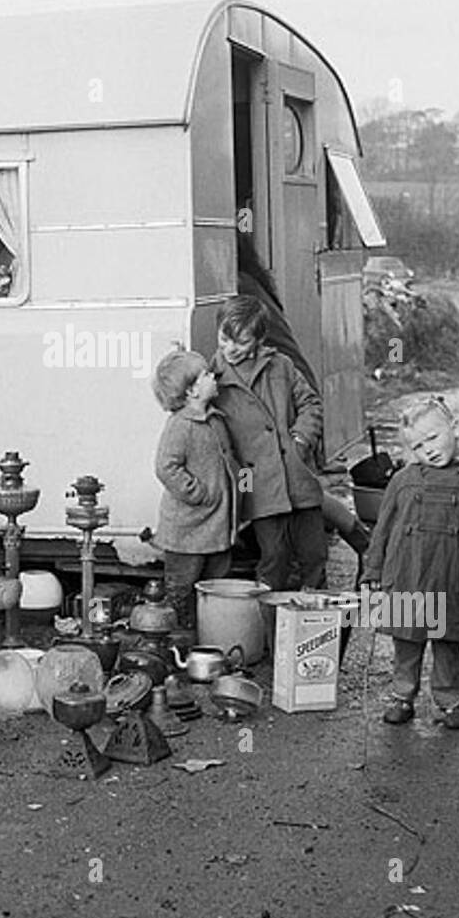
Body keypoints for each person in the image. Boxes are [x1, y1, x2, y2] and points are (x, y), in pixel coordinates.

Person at [362, 395, 459, 730]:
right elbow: (382, 529)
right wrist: (373, 571)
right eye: (417, 445)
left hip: (453, 578)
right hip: (407, 574)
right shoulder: (403, 480)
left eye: (433, 438)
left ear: (455, 428)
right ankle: (402, 695)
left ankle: (451, 702)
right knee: (406, 643)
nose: (427, 449)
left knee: (448, 645)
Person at [235, 232, 373, 578]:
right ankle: (354, 539)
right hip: (278, 395)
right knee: (292, 490)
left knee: (294, 491)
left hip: (285, 397)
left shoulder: (237, 286)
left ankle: (353, 542)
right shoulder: (251, 281)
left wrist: (298, 438)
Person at [211, 296, 326, 594]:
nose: (230, 348)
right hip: (258, 486)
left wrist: (301, 440)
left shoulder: (281, 366)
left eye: (241, 341)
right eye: (225, 338)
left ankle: (316, 632)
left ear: (260, 340)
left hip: (297, 478)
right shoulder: (212, 380)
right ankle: (271, 632)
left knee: (314, 558)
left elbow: (311, 403)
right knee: (274, 559)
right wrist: (243, 492)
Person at [151, 349, 241, 635]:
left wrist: (244, 491)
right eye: (205, 375)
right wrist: (199, 493)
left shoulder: (216, 419)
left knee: (213, 590)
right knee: (180, 593)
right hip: (186, 533)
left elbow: (232, 462)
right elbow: (166, 467)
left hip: (216, 528)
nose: (213, 376)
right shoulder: (181, 426)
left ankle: (208, 642)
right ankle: (178, 646)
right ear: (191, 391)